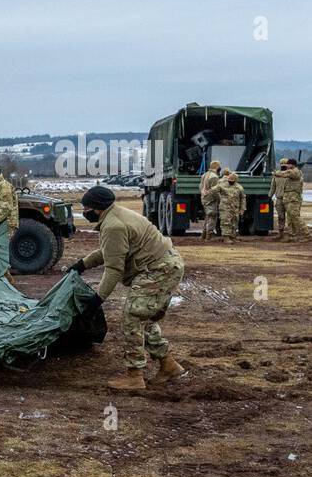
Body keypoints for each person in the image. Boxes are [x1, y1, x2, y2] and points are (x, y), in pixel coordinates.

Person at [67, 185, 185, 390]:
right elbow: (111, 251)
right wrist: (82, 264)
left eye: (86, 208)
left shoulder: (113, 225)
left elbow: (113, 269)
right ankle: (168, 365)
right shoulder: (115, 216)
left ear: (97, 208)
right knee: (142, 318)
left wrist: (97, 300)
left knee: (132, 318)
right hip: (164, 266)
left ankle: (134, 376)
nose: (84, 212)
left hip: (158, 270)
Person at [278, 159, 308, 242]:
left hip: (293, 199)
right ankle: (292, 236)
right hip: (289, 198)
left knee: (295, 217)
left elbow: (283, 174)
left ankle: (307, 234)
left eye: (288, 164)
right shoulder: (291, 172)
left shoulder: (295, 172)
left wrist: (275, 173)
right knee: (290, 218)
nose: (286, 166)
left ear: (292, 165)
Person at [216, 169, 246, 243]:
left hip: (235, 208)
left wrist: (242, 209)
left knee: (234, 223)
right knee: (225, 222)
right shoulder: (222, 185)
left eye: (232, 180)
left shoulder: (239, 187)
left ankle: (233, 237)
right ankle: (226, 237)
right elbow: (213, 191)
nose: (230, 181)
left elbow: (243, 198)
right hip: (225, 207)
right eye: (229, 180)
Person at [268, 159, 290, 238]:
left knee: (291, 217)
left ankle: (292, 234)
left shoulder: (290, 175)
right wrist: (269, 196)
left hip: (289, 199)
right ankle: (281, 233)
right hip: (279, 199)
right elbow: (273, 187)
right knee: (281, 216)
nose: (283, 165)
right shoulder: (276, 175)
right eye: (282, 164)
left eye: (285, 164)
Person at [200, 160, 222, 241]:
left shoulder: (204, 175)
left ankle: (203, 235)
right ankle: (209, 236)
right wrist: (220, 200)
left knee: (208, 216)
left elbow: (200, 187)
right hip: (211, 199)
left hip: (204, 198)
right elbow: (215, 191)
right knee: (212, 216)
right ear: (217, 167)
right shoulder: (214, 177)